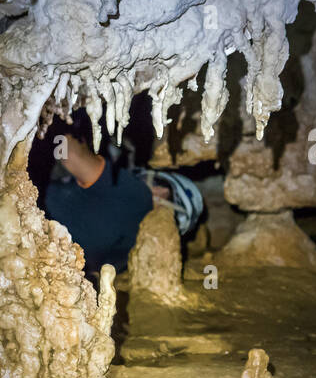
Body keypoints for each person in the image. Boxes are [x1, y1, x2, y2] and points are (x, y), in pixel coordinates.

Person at [43, 114, 206, 277]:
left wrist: (57, 116)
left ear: (163, 193)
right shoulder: (127, 258)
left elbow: (71, 154)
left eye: (159, 182)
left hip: (30, 214)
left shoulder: (139, 196)